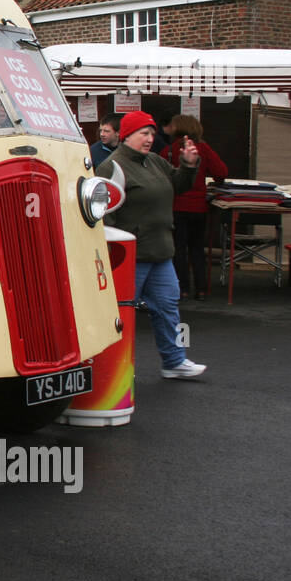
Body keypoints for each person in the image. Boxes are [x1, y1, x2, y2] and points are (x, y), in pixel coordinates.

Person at [96, 110, 208, 379]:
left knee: (168, 306)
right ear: (127, 135)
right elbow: (104, 214)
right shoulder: (112, 167)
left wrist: (189, 165)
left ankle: (173, 361)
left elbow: (179, 185)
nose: (149, 139)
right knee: (122, 313)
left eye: (152, 134)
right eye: (143, 133)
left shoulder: (155, 161)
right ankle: (114, 368)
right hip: (130, 256)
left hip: (160, 251)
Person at [160, 114, 227, 300]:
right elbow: (221, 172)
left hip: (176, 207)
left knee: (178, 249)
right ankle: (202, 289)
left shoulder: (170, 150)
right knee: (197, 249)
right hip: (199, 208)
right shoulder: (203, 149)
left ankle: (182, 288)